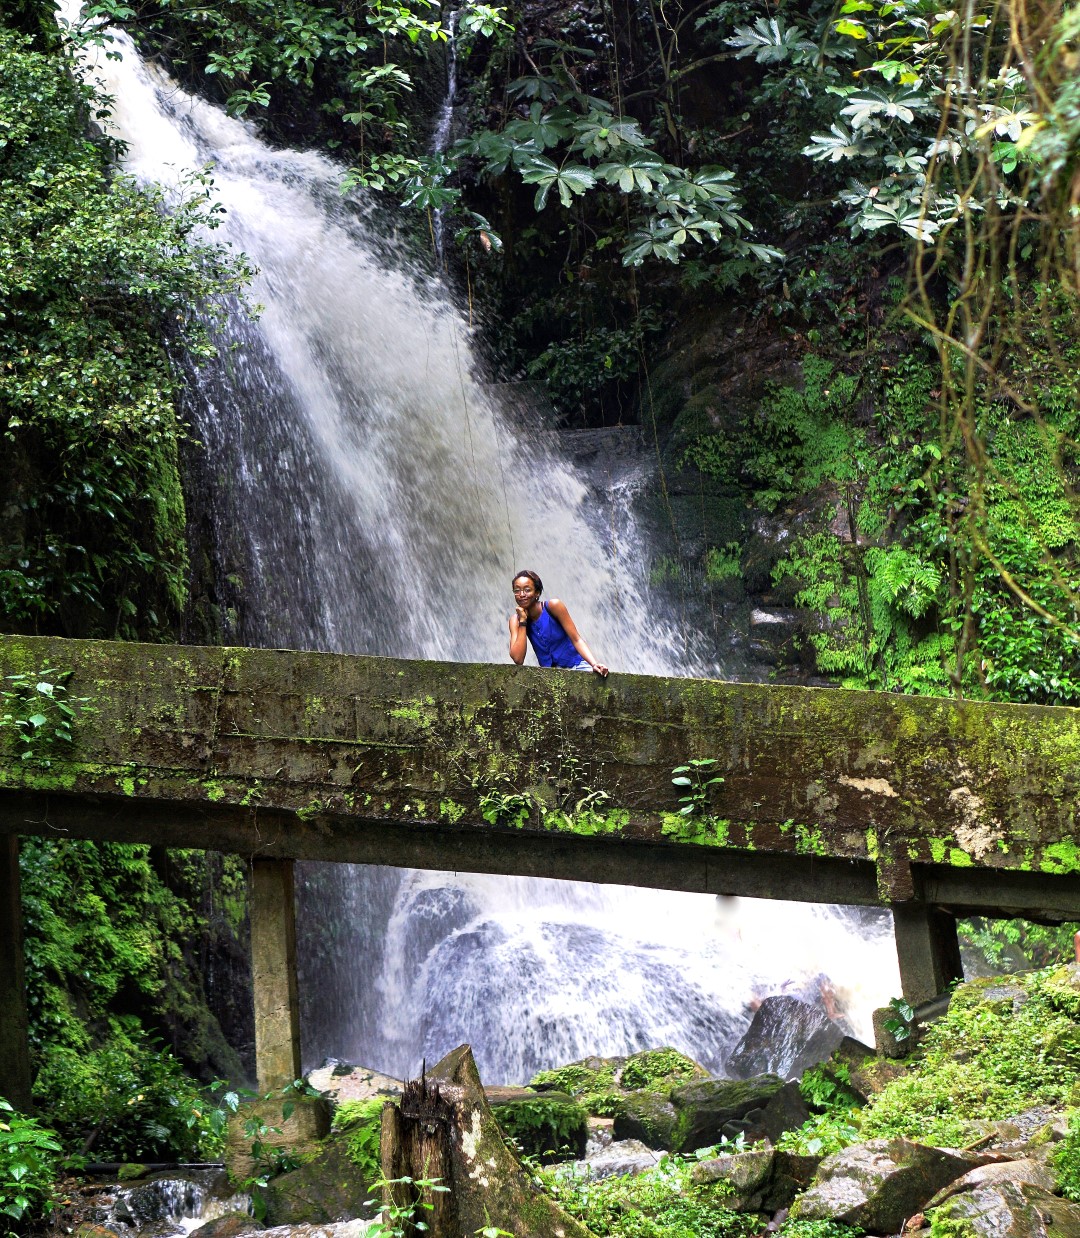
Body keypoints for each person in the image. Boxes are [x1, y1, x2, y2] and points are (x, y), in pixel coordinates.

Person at [508, 570, 609, 676]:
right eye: (517, 590)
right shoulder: (515, 620)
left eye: (527, 590)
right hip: (549, 676)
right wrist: (523, 622)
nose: (521, 594)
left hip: (577, 666)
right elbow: (518, 659)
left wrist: (594, 664)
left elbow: (576, 639)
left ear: (537, 593)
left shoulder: (553, 606)